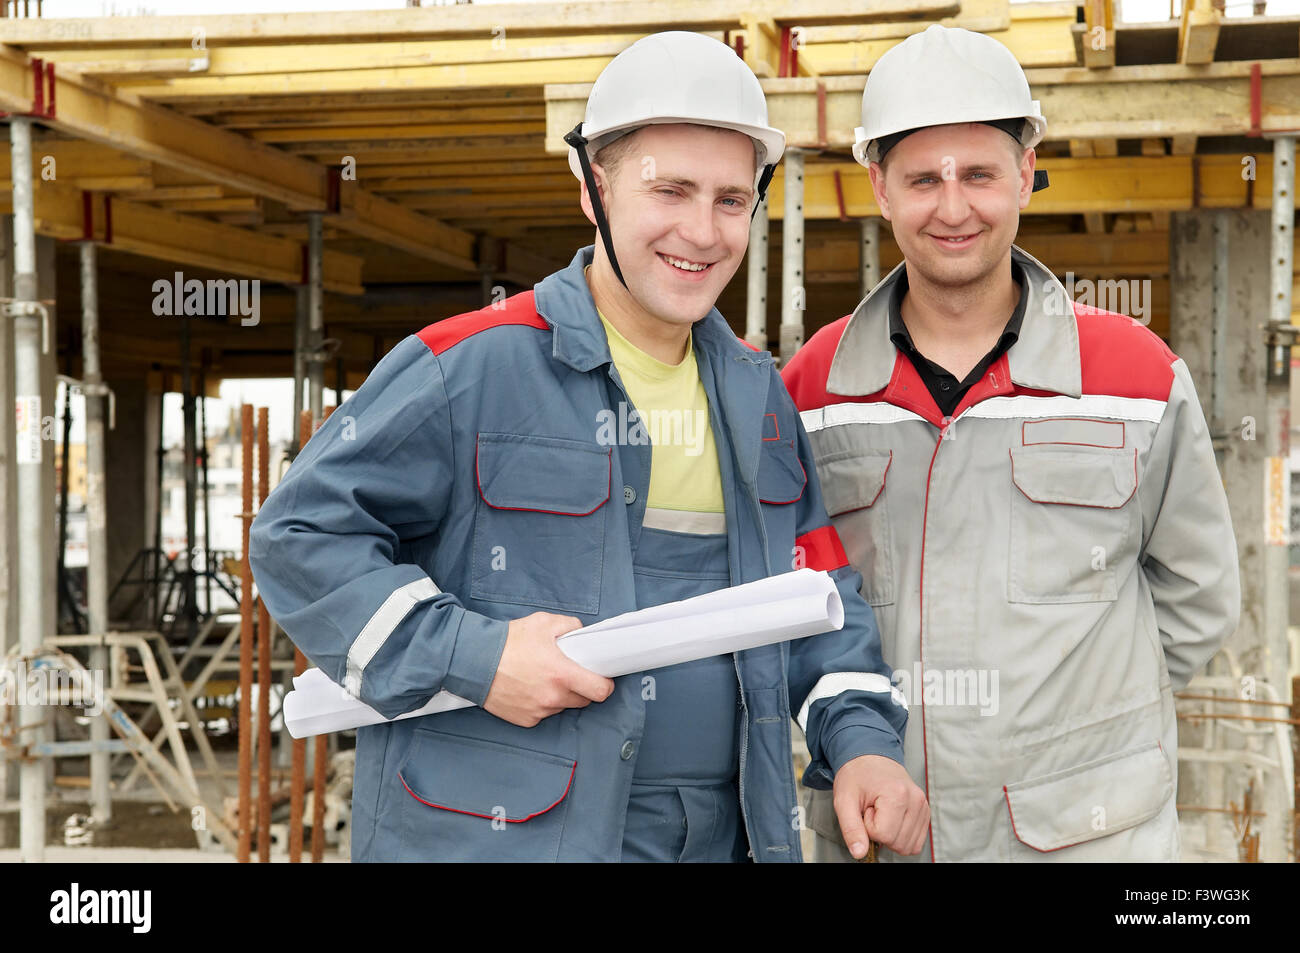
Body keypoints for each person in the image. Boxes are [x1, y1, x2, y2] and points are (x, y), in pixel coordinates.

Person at [250, 30, 928, 863]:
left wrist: (862, 741)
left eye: (729, 199)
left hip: (722, 838)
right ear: (592, 188)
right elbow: (298, 538)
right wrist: (476, 653)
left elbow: (819, 593)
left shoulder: (757, 395)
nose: (703, 231)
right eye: (670, 191)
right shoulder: (469, 367)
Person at [782, 24, 1239, 862]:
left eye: (980, 174)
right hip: (882, 835)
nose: (953, 208)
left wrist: (1073, 727)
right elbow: (794, 601)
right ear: (879, 186)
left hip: (1088, 840)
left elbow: (1198, 593)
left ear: (1026, 174)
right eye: (923, 178)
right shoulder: (815, 387)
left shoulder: (1133, 373)